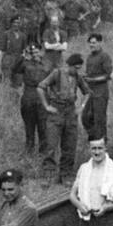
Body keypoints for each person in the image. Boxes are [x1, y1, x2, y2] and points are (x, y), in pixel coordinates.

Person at [39, 54, 88, 184]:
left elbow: (87, 92)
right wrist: (46, 106)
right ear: (69, 65)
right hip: (56, 111)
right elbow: (41, 87)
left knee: (70, 145)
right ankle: (48, 174)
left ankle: (65, 174)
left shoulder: (77, 77)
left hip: (71, 112)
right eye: (76, 68)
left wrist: (81, 107)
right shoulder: (57, 73)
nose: (77, 71)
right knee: (51, 144)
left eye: (79, 68)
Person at [13, 42, 50, 158]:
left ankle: (43, 154)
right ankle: (29, 153)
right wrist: (23, 56)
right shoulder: (25, 64)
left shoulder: (47, 64)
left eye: (36, 51)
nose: (34, 54)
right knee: (29, 128)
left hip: (42, 98)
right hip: (28, 97)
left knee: (43, 127)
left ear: (41, 51)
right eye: (32, 52)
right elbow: (15, 70)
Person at [82, 32, 113, 140]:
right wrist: (84, 77)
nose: (91, 45)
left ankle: (101, 141)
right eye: (90, 43)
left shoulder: (104, 56)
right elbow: (88, 73)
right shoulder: (90, 57)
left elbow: (109, 75)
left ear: (100, 43)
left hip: (101, 91)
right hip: (91, 91)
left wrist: (93, 79)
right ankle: (94, 136)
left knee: (99, 118)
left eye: (94, 43)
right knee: (85, 117)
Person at [39, 4, 67, 70]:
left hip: (59, 59)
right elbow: (46, 46)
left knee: (59, 75)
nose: (55, 23)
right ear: (50, 23)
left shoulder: (63, 33)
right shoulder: (46, 32)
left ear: (59, 23)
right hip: (48, 59)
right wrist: (58, 45)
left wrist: (52, 46)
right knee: (47, 75)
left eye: (56, 22)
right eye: (53, 22)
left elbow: (64, 47)